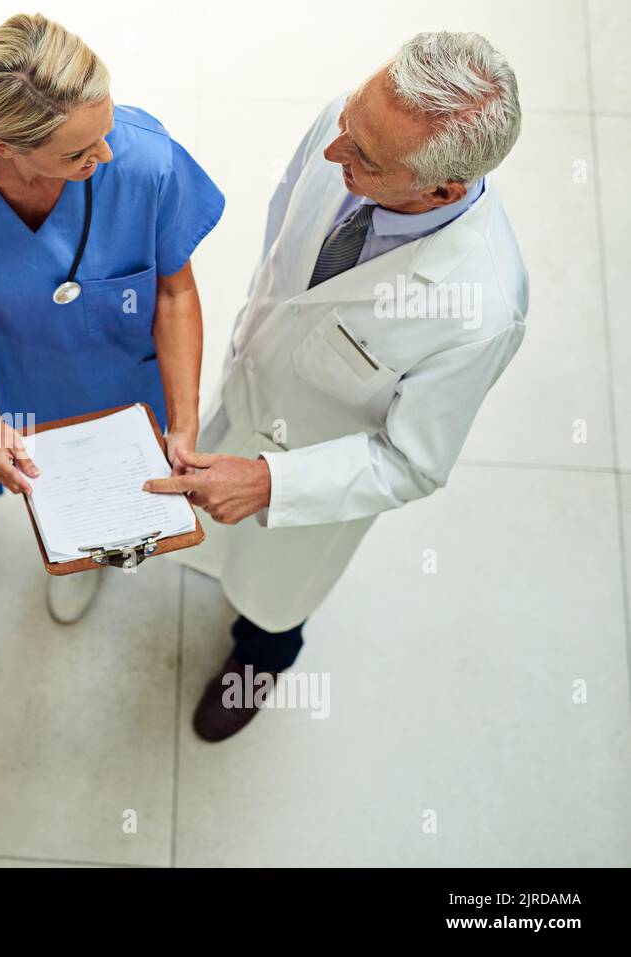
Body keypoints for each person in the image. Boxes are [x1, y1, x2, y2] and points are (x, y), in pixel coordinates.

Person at [145, 32, 527, 741]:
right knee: (212, 540)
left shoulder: (480, 308)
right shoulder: (350, 125)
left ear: (441, 188)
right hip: (251, 384)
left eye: (362, 158)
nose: (333, 150)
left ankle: (261, 661)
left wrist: (268, 484)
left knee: (274, 599)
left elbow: (413, 461)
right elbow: (282, 236)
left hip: (317, 475)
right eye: (349, 119)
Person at [0, 13, 224, 624]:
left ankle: (89, 549)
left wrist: (185, 425)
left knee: (106, 493)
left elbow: (173, 294)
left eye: (106, 129)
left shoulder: (147, 165)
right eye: (79, 151)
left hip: (119, 380)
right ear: (2, 145)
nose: (105, 152)